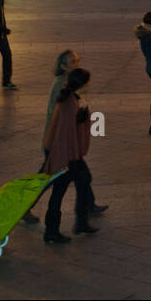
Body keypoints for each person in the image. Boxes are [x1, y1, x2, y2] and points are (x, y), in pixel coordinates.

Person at [42, 68, 97, 243]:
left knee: (84, 181)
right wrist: (68, 160)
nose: (90, 84)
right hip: (66, 156)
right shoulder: (70, 104)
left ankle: (81, 222)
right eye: (88, 81)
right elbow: (64, 136)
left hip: (68, 154)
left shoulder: (72, 99)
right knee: (58, 192)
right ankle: (52, 230)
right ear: (82, 84)